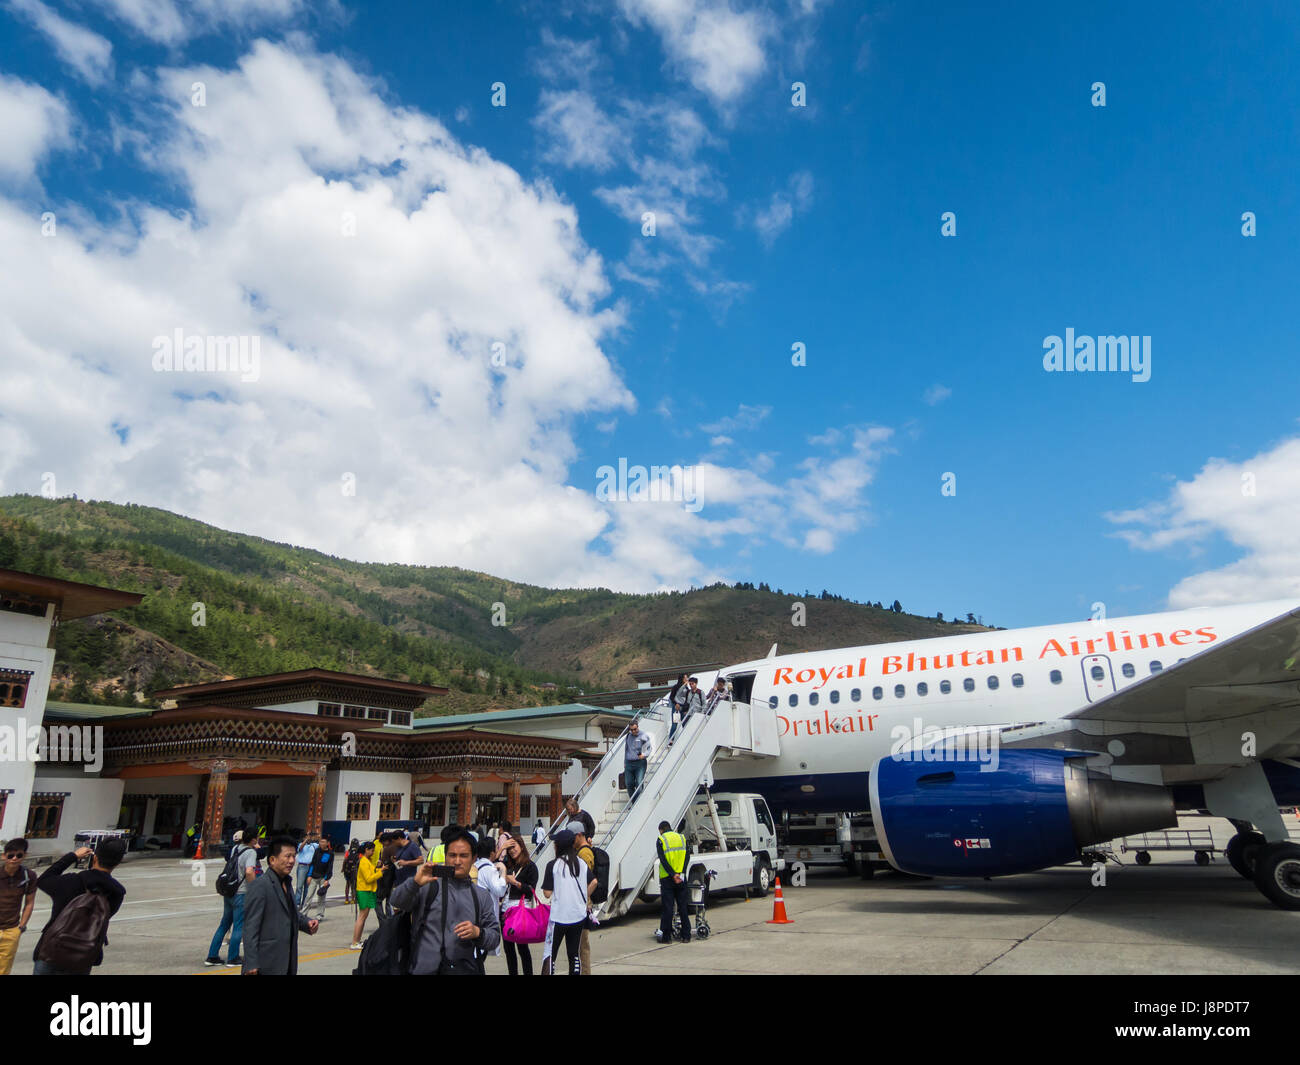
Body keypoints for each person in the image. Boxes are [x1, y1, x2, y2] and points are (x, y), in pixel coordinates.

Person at [390, 830, 501, 974]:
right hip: (424, 969)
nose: (457, 861)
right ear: (445, 856)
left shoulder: (481, 895)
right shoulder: (428, 885)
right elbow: (396, 901)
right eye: (452, 855)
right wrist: (415, 882)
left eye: (464, 856)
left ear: (474, 858)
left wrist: (477, 933)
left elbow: (494, 937)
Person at [32, 837, 127, 975]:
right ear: (118, 863)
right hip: (83, 955)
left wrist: (73, 856)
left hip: (52, 951)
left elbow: (43, 880)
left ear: (94, 857)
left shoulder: (71, 881)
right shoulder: (117, 892)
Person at [242, 836, 318, 975]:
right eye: (287, 856)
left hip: (286, 959)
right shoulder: (260, 886)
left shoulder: (286, 883)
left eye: (293, 856)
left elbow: (288, 912)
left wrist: (306, 923)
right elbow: (250, 927)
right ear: (272, 860)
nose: (291, 861)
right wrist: (251, 962)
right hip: (266, 961)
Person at [541, 831, 596, 976]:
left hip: (558, 917)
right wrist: (582, 897)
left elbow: (547, 893)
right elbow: (594, 882)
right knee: (574, 954)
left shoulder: (553, 865)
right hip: (577, 915)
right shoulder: (581, 863)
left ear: (558, 846)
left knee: (551, 955)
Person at [206, 829, 259, 966]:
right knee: (238, 926)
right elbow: (249, 871)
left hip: (229, 891)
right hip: (241, 893)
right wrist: (254, 888)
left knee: (224, 924)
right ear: (253, 840)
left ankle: (212, 956)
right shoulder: (251, 852)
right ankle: (233, 958)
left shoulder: (235, 848)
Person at [500, 835, 538, 976]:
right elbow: (492, 865)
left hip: (520, 911)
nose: (511, 851)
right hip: (505, 910)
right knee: (508, 949)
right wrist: (502, 848)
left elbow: (531, 890)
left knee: (522, 948)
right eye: (509, 848)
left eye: (513, 847)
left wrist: (515, 882)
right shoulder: (508, 865)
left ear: (521, 846)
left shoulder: (530, 866)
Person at [0, 838, 37, 975]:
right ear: (4, 856)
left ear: (24, 856)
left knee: (4, 969)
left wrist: (21, 926)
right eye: (11, 855)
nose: (14, 858)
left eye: (19, 855)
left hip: (11, 929)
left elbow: (29, 903)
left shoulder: (29, 876)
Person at [656, 820, 691, 944]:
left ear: (661, 830)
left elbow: (663, 860)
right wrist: (681, 873)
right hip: (681, 878)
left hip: (667, 879)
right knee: (682, 907)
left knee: (668, 908)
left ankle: (667, 937)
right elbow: (687, 857)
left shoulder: (661, 840)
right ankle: (686, 935)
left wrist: (672, 874)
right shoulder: (682, 838)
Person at [472, 836, 508, 959]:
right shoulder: (490, 869)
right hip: (486, 915)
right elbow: (500, 890)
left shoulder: (474, 866)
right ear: (492, 853)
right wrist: (503, 871)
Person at [570, 822, 598, 975]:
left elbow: (589, 880)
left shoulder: (584, 854)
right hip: (581, 902)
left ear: (579, 835)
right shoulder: (579, 851)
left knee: (583, 944)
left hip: (582, 904)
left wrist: (583, 897)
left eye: (572, 837)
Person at [349, 841, 383, 949]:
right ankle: (355, 942)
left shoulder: (367, 861)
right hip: (364, 891)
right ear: (366, 850)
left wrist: (378, 869)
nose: (373, 852)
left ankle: (357, 940)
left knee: (363, 917)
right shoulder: (363, 861)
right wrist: (380, 872)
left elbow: (371, 873)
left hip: (367, 890)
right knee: (362, 917)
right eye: (372, 850)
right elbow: (369, 878)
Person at [302, 836, 333, 920]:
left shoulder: (330, 854)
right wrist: (309, 875)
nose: (322, 843)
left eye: (323, 842)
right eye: (320, 842)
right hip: (314, 877)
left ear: (327, 843)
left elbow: (330, 867)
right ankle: (303, 914)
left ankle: (320, 915)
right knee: (308, 896)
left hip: (323, 878)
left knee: (321, 897)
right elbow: (313, 863)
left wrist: (327, 879)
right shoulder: (317, 851)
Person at [624, 719, 652, 799]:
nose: (633, 731)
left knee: (639, 784)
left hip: (640, 763)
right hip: (629, 763)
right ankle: (634, 803)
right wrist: (625, 762)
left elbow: (649, 749)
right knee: (629, 784)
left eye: (635, 729)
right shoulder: (628, 736)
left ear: (638, 727)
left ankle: (638, 803)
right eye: (631, 730)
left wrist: (644, 755)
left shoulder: (643, 735)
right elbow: (626, 749)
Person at [294, 834, 319, 907]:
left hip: (310, 866)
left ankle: (305, 902)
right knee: (299, 886)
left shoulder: (314, 845)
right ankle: (297, 903)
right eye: (307, 837)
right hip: (302, 866)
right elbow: (300, 849)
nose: (309, 838)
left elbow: (321, 845)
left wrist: (317, 837)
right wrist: (305, 841)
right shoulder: (301, 844)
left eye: (310, 837)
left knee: (307, 886)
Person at [667, 673, 687, 743]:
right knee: (675, 724)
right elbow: (671, 697)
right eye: (685, 678)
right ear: (682, 679)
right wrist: (676, 704)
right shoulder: (676, 687)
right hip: (676, 708)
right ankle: (671, 740)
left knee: (685, 723)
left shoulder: (686, 687)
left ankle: (687, 738)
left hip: (683, 708)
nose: (686, 679)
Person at [342, 839, 360, 904]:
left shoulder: (348, 852)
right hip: (354, 870)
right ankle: (353, 899)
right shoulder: (359, 852)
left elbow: (345, 860)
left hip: (347, 870)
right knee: (354, 884)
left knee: (347, 884)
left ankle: (346, 899)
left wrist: (343, 869)